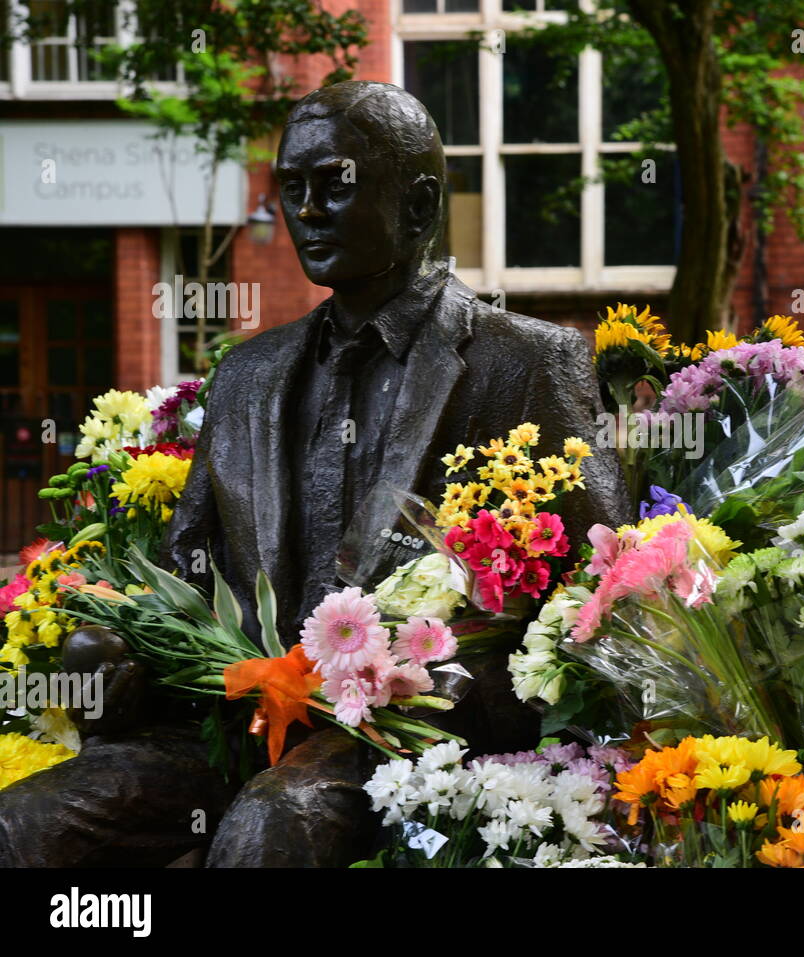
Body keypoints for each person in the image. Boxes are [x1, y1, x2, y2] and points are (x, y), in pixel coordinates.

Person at [0, 81, 629, 867]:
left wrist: (440, 682)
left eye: (336, 184)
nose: (309, 210)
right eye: (292, 189)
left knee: (274, 824)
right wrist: (118, 648)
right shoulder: (248, 374)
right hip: (235, 719)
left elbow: (603, 605)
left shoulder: (527, 363)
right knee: (20, 826)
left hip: (409, 735)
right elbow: (186, 571)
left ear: (421, 202)